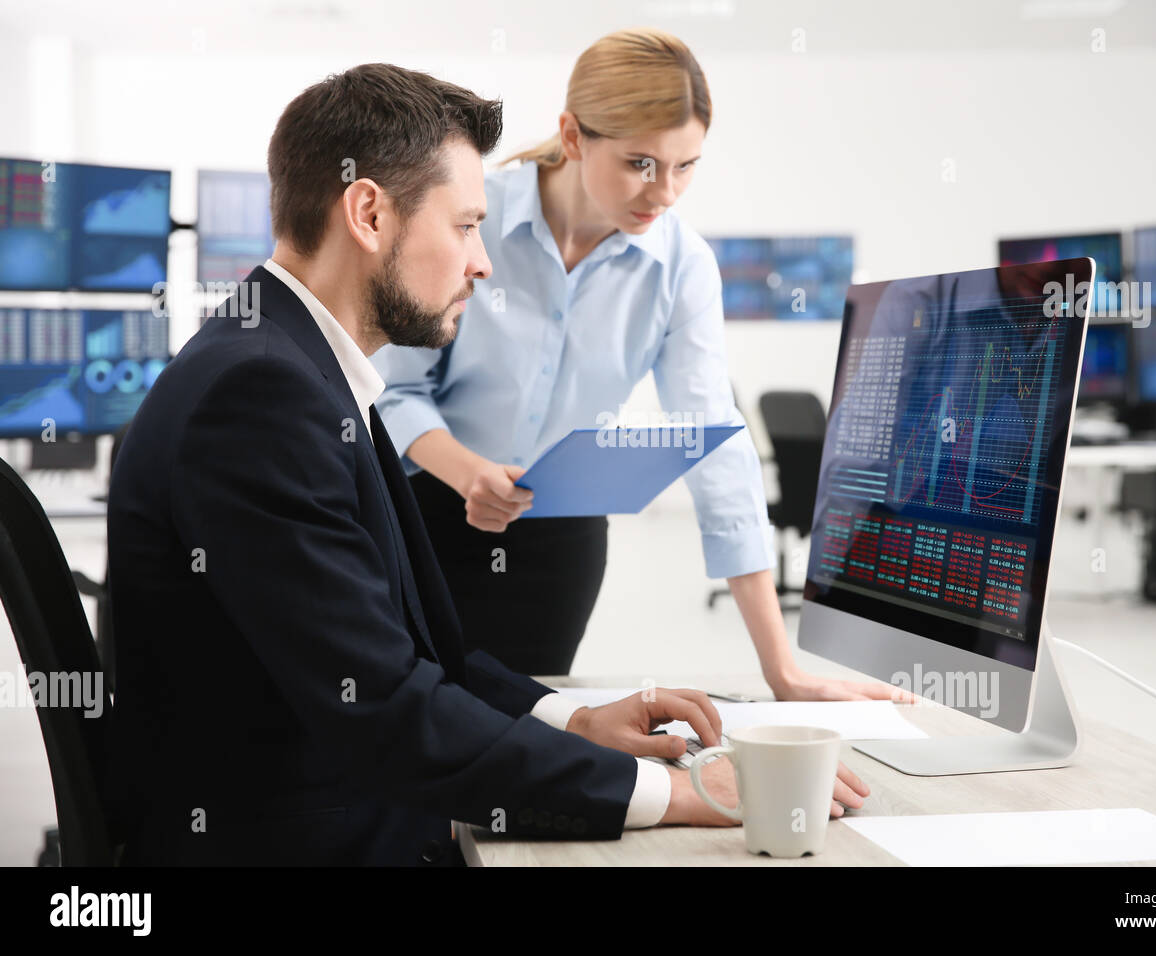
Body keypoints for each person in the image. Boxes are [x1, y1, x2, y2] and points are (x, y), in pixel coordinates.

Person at [105, 63, 869, 866]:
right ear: (368, 213)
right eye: (467, 225)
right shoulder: (262, 398)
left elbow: (411, 663)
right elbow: (389, 713)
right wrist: (684, 794)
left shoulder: (293, 367)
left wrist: (573, 721)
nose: (484, 263)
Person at [373, 29, 898, 701]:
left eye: (686, 166)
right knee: (415, 724)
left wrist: (782, 671)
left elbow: (715, 450)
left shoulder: (680, 267)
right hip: (425, 514)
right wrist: (469, 472)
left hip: (559, 544)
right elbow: (394, 393)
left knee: (521, 733)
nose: (666, 191)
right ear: (573, 135)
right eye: (642, 163)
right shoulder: (477, 216)